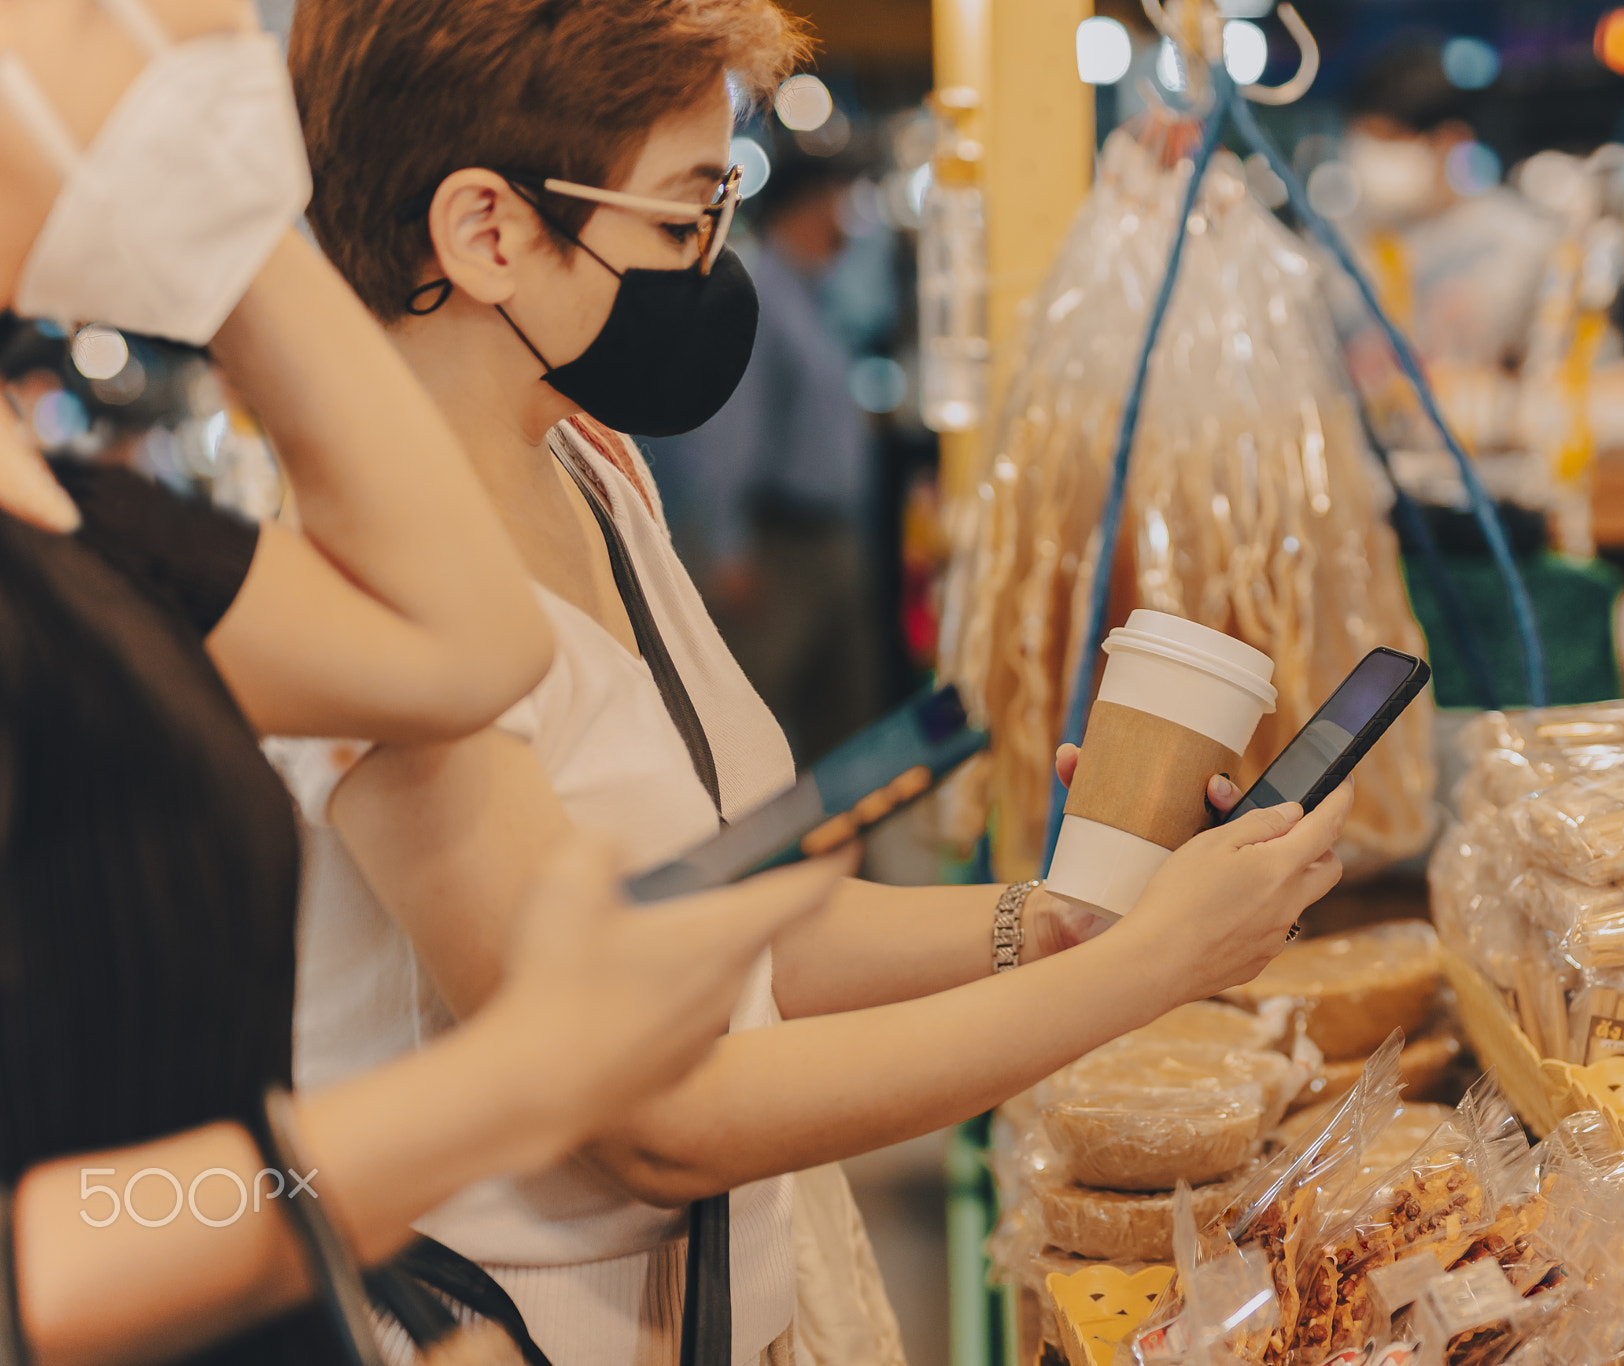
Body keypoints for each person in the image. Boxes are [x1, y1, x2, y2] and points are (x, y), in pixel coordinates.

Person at [280, 0, 1359, 1361]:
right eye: (681, 219)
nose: (711, 262)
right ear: (486, 231)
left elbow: (752, 941)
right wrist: (1145, 968)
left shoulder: (589, 466)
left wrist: (1052, 919)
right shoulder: (374, 599)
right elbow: (652, 1116)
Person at [0, 1, 845, 1361]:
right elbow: (41, 1261)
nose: (198, 27)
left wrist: (246, 254)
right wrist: (514, 1083)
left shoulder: (93, 518)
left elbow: (467, 647)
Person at [646, 150, 884, 763]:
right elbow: (727, 430)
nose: (848, 222)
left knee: (842, 714)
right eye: (840, 204)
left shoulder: (814, 296)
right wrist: (726, 546)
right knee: (754, 720)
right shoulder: (758, 297)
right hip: (778, 546)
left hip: (829, 539)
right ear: (811, 208)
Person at [1340, 39, 1557, 373]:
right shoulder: (1346, 237)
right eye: (1366, 139)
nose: (1372, 158)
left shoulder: (1514, 238)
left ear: (1450, 139)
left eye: (1390, 139)